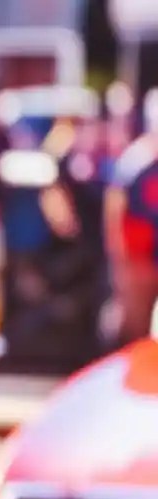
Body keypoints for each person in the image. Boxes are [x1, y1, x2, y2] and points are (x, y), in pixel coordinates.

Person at [103, 90, 158, 345]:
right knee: (136, 322)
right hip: (140, 256)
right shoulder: (136, 160)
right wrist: (123, 259)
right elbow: (115, 209)